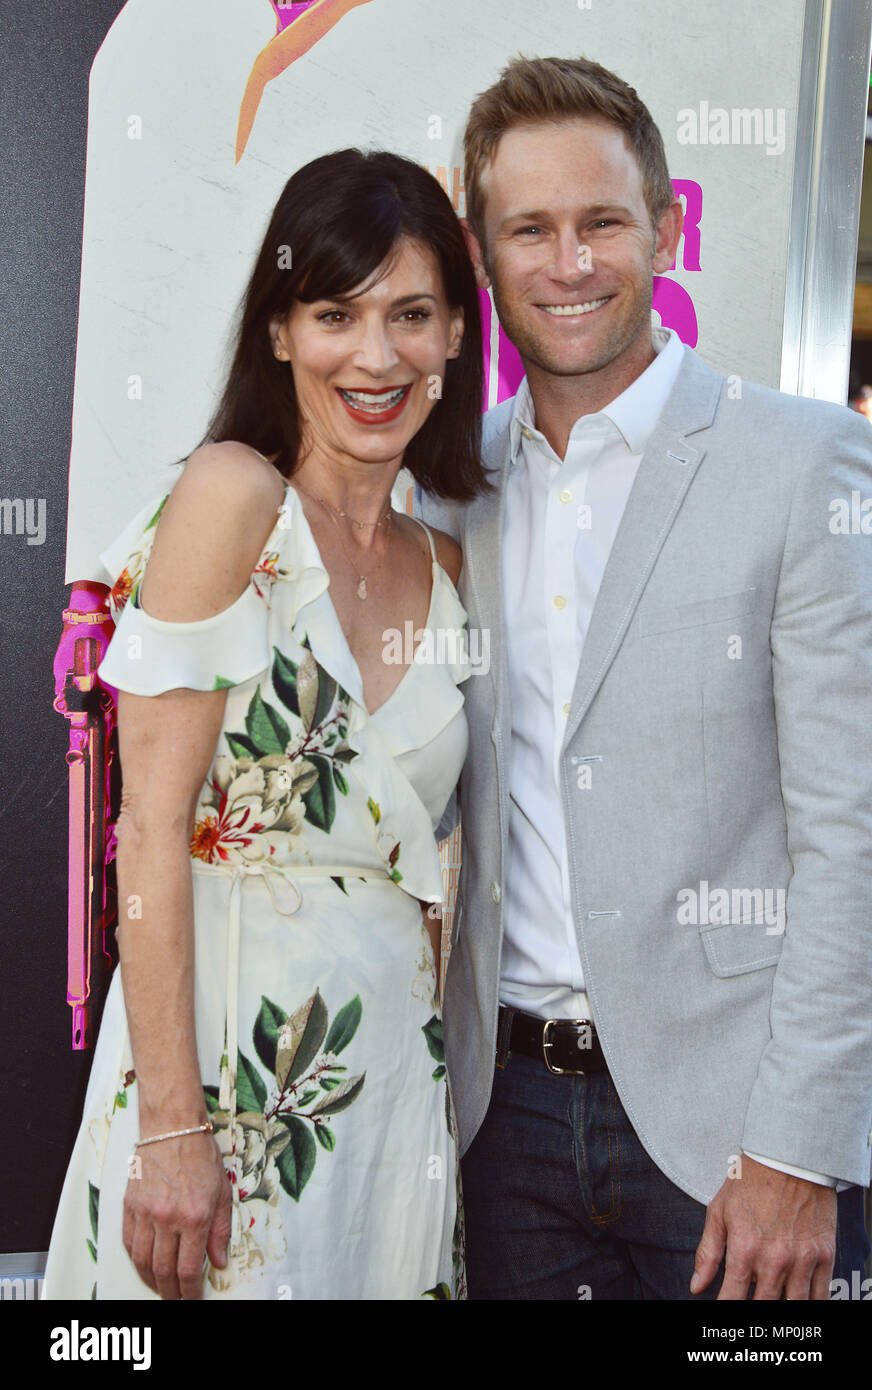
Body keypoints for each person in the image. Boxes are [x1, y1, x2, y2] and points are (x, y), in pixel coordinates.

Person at [418, 55, 872, 1300]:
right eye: (528, 229)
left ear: (665, 230)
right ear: (481, 252)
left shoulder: (803, 461)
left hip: (733, 1135)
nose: (567, 264)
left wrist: (797, 1145)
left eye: (602, 222)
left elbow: (853, 830)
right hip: (498, 1124)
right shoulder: (446, 490)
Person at [44, 147, 487, 1300]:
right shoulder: (233, 497)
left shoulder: (448, 565)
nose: (376, 355)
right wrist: (173, 1130)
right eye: (334, 312)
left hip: (389, 1099)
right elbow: (147, 831)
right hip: (224, 1101)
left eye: (412, 314)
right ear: (280, 332)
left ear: (452, 339)